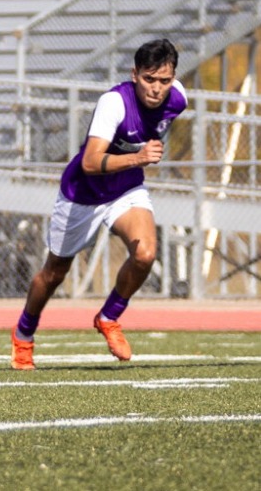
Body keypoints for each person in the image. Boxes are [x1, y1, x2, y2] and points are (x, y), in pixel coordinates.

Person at [10, 38, 186, 370]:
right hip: (83, 194)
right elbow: (90, 162)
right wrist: (138, 157)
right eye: (149, 79)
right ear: (134, 74)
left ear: (173, 78)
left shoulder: (178, 98)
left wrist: (136, 160)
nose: (156, 88)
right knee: (54, 273)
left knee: (145, 254)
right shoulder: (114, 103)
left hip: (125, 189)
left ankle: (109, 317)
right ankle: (23, 335)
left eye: (164, 80)